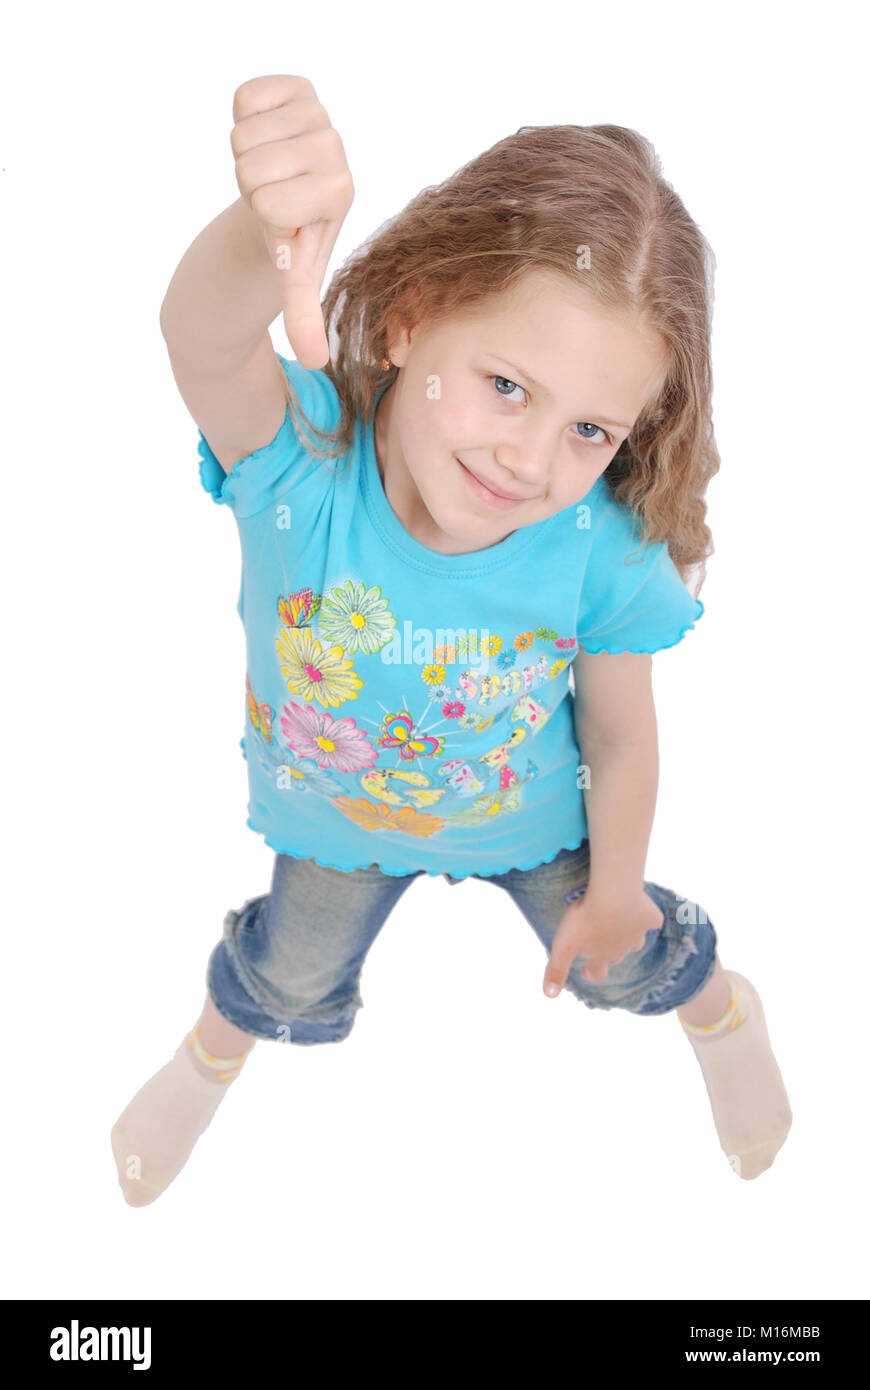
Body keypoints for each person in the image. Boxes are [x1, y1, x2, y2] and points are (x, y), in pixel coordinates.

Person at [111, 75, 792, 1206]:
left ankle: (721, 1011)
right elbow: (196, 337)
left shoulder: (595, 542)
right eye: (506, 386)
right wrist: (263, 226)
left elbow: (620, 736)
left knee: (623, 964)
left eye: (588, 428)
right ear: (419, 312)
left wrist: (616, 884)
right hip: (335, 822)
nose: (530, 457)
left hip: (534, 823)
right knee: (287, 969)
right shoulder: (304, 456)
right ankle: (210, 1053)